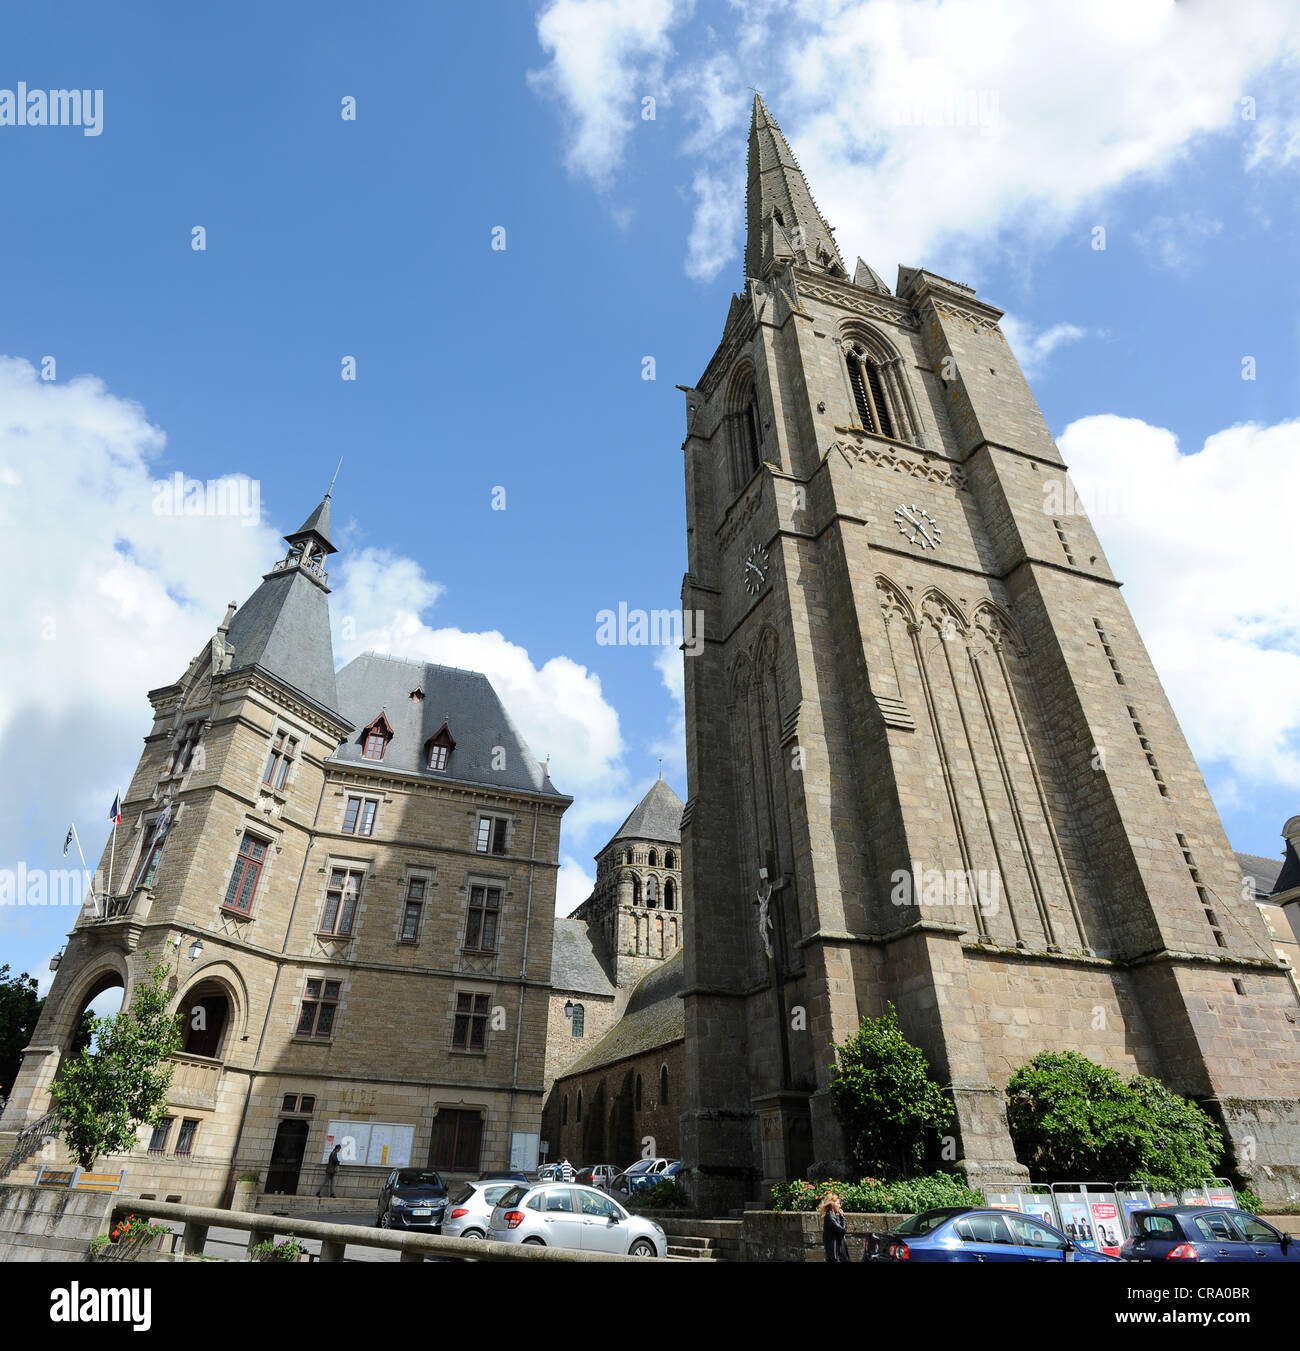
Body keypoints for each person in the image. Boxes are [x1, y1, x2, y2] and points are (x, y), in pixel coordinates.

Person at [820, 1191, 849, 1263]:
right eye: (838, 1203)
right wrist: (842, 1217)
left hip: (836, 1255)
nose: (840, 1206)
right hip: (834, 1256)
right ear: (832, 1204)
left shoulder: (832, 1216)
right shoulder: (830, 1217)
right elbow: (843, 1230)